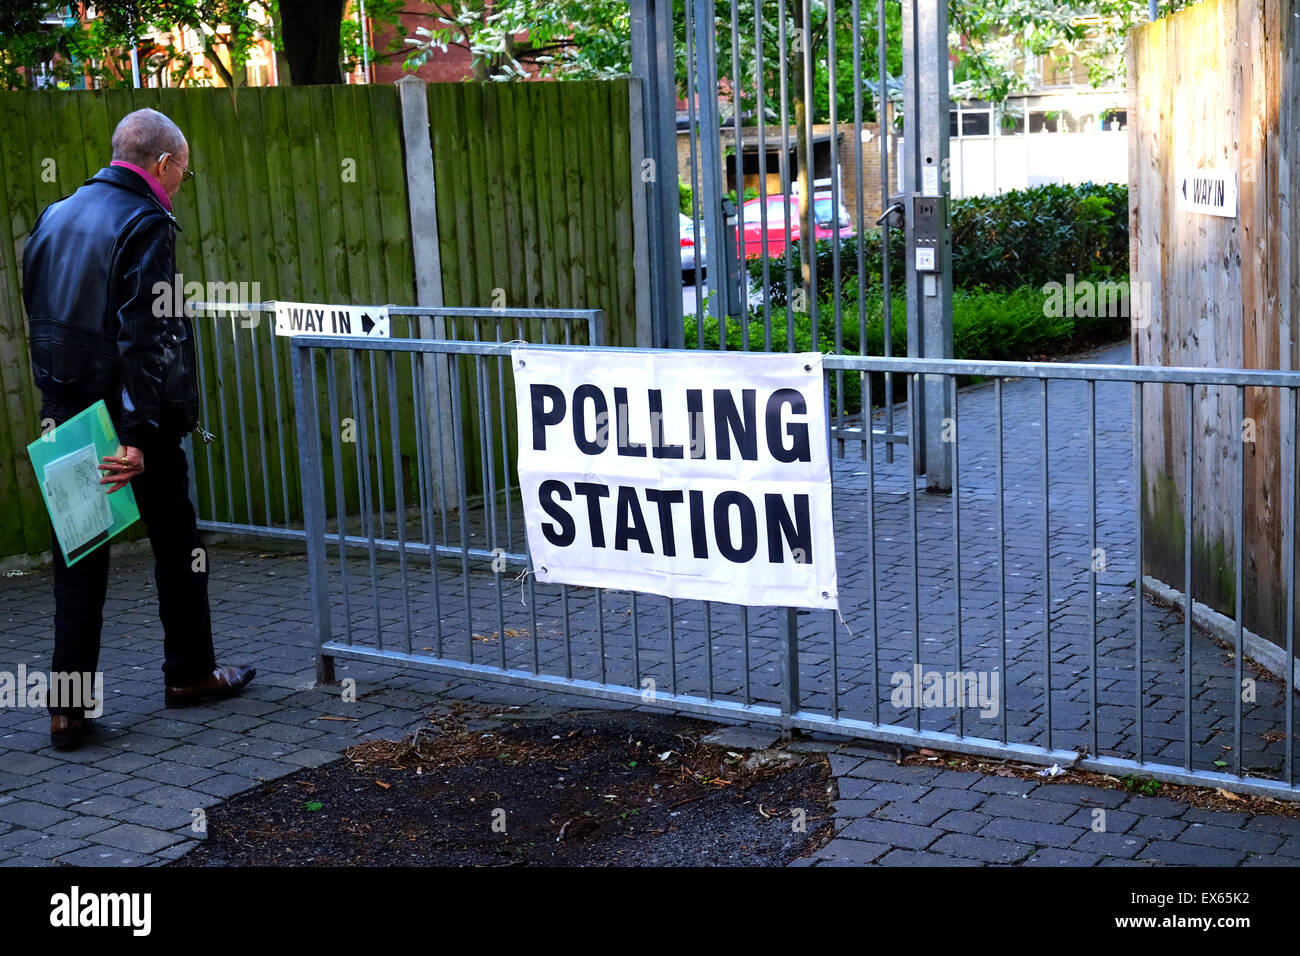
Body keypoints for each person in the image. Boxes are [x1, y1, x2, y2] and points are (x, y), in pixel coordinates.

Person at [22, 108, 254, 750]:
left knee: (78, 557)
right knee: (179, 546)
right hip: (133, 420)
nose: (180, 184)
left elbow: (39, 317)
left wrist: (58, 404)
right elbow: (146, 335)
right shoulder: (145, 221)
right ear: (164, 162)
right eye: (183, 171)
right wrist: (137, 433)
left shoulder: (54, 216)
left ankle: (67, 711)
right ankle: (190, 674)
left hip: (68, 415)